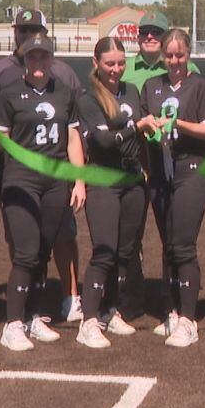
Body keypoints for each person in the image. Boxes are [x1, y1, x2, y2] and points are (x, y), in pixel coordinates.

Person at [0, 8, 86, 322]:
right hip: (19, 175)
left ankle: (65, 299)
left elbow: (73, 134)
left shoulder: (65, 79)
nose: (28, 37)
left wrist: (78, 178)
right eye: (23, 31)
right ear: (16, 34)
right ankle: (20, 315)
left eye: (34, 30)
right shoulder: (0, 73)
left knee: (58, 239)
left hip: (56, 178)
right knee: (23, 245)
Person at [137, 28, 205, 348]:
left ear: (189, 55)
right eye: (169, 55)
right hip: (160, 173)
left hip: (192, 171)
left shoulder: (201, 87)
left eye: (179, 55)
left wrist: (178, 124)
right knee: (169, 244)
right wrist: (147, 126)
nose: (174, 61)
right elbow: (143, 129)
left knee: (184, 243)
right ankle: (172, 310)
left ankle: (188, 318)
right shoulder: (152, 86)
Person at [118, 10, 199, 323]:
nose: (149, 37)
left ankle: (172, 302)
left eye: (156, 32)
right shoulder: (124, 70)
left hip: (176, 167)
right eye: (144, 32)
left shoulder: (189, 70)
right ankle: (131, 299)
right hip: (136, 165)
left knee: (174, 238)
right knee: (130, 237)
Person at [74, 37, 147, 348]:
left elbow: (134, 140)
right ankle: (89, 320)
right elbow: (102, 143)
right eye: (109, 63)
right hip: (103, 179)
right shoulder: (88, 97)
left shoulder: (131, 91)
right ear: (96, 63)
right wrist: (134, 130)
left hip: (132, 180)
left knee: (124, 252)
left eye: (120, 62)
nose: (116, 69)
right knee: (104, 251)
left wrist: (142, 163)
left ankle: (110, 310)